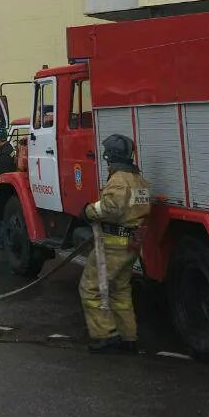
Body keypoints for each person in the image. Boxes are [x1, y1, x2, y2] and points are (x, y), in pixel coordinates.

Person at [80, 133, 151, 354]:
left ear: (111, 154)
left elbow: (111, 207)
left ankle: (106, 335)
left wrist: (89, 211)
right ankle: (128, 336)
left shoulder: (119, 179)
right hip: (130, 242)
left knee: (91, 288)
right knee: (120, 290)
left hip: (113, 243)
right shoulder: (139, 179)